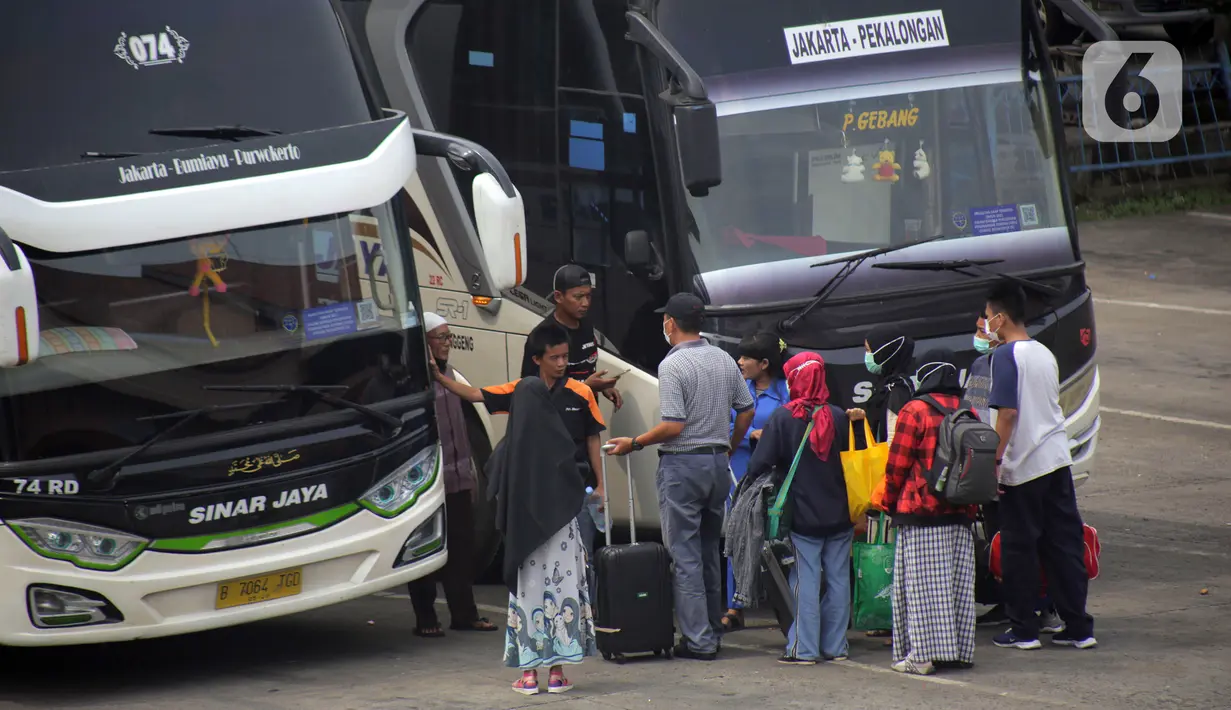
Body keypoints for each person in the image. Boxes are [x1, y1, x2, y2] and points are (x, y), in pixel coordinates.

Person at [433, 324, 602, 694]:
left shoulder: (509, 456)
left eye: (564, 356)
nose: (561, 363)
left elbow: (498, 493)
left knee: (527, 597)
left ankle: (528, 675)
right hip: (562, 530)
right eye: (554, 357)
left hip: (525, 537)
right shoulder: (561, 455)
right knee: (563, 593)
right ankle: (557, 673)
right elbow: (476, 393)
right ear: (538, 359)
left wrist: (438, 376)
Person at [606, 293, 755, 660]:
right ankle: (713, 631)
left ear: (670, 323)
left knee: (685, 557)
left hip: (683, 467)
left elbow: (674, 425)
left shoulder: (673, 366)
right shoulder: (723, 359)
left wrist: (634, 442)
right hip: (717, 466)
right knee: (708, 553)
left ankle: (699, 641)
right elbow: (747, 409)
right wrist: (730, 445)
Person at [984, 282, 1097, 651]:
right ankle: (1079, 627)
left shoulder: (1005, 356)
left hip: (1023, 466)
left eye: (987, 318)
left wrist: (994, 462)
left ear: (1000, 318)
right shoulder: (1043, 352)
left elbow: (1008, 415)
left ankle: (1024, 629)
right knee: (1064, 544)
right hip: (1056, 460)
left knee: (1020, 549)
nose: (986, 325)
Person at [745, 352, 852, 665]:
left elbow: (758, 465)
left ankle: (803, 649)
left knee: (804, 580)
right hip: (840, 511)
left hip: (803, 513)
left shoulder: (783, 417)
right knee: (837, 578)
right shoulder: (838, 415)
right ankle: (836, 646)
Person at [880, 350, 979, 676]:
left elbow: (898, 464)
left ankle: (921, 655)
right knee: (956, 586)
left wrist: (887, 500)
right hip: (960, 510)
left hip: (921, 510)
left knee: (920, 587)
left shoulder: (915, 410)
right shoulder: (968, 411)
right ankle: (959, 651)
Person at [964, 316, 1064, 633]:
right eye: (977, 331)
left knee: (1027, 541)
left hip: (1012, 464)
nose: (979, 336)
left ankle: (1043, 608)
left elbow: (1004, 415)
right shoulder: (982, 364)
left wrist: (993, 459)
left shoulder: (1013, 360)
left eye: (983, 330)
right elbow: (974, 412)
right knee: (999, 539)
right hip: (992, 462)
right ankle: (1009, 603)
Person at [519, 264, 621, 564]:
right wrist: (583, 386)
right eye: (578, 297)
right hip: (555, 446)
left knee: (585, 541)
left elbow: (583, 374)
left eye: (588, 296)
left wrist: (600, 388)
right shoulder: (544, 335)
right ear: (557, 297)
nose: (585, 303)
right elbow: (531, 392)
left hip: (585, 437)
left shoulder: (587, 327)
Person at [406, 313, 498, 637]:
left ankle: (464, 614)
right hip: (430, 482)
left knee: (461, 547)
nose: (447, 344)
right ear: (425, 343)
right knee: (424, 547)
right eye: (440, 338)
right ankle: (425, 618)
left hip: (459, 478)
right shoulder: (415, 381)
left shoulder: (452, 377)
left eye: (449, 337)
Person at [721, 331, 790, 632]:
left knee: (778, 539)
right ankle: (734, 606)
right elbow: (724, 423)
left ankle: (785, 604)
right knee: (735, 537)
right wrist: (748, 435)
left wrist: (771, 437)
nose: (740, 362)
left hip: (776, 473)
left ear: (764, 363)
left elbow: (794, 422)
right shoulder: (737, 389)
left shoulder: (786, 391)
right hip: (739, 469)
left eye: (746, 357)